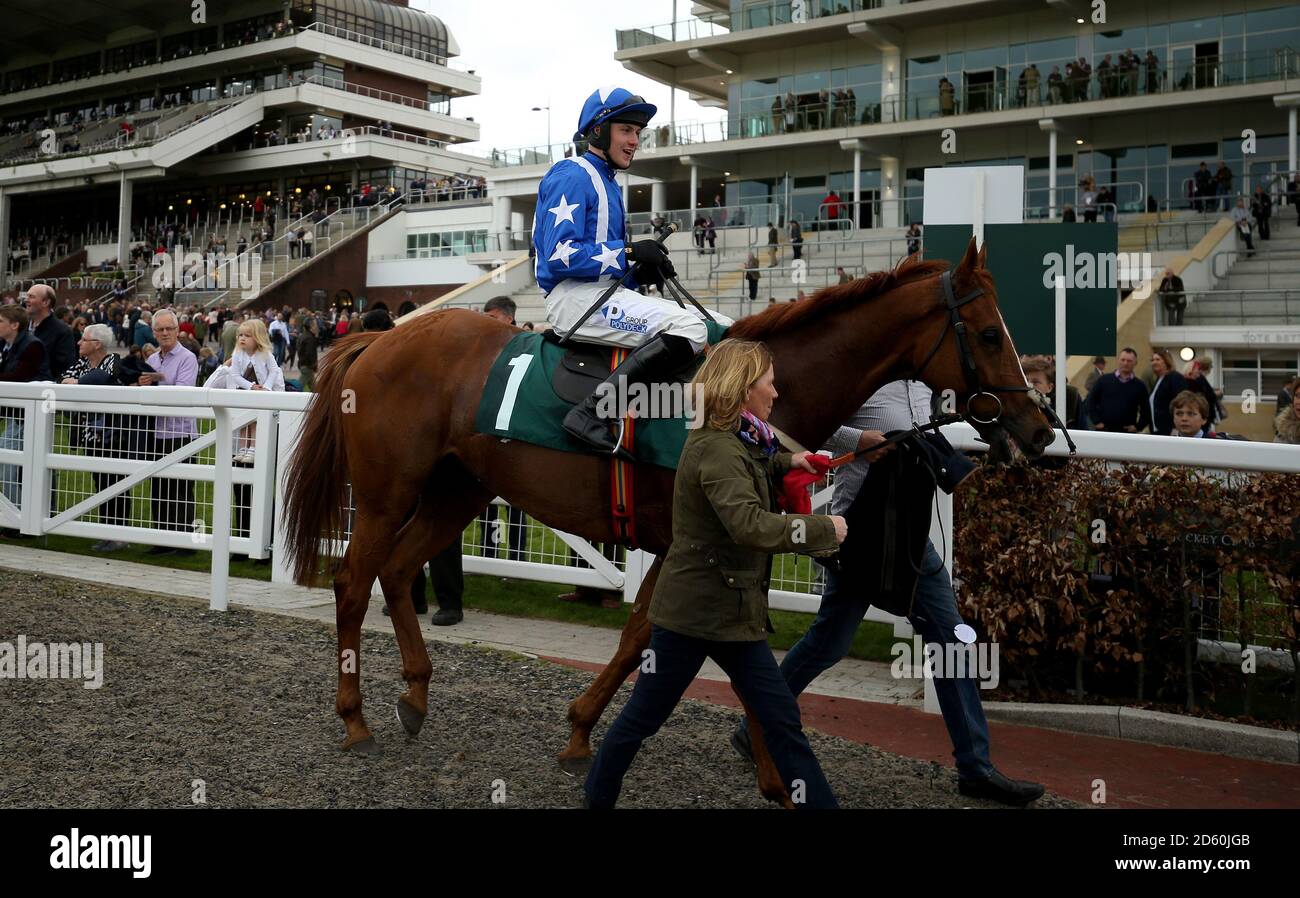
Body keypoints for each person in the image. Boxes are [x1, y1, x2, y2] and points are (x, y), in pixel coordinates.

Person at [731, 379, 1046, 805]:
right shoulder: (867, 372)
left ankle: (975, 767)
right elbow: (808, 426)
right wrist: (857, 438)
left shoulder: (923, 385)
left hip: (912, 538)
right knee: (829, 642)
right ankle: (757, 726)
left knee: (951, 639)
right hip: (859, 534)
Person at [583, 340, 846, 809]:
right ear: (744, 390)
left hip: (730, 615)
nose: (776, 392)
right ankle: (596, 800)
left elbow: (755, 465)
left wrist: (791, 461)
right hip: (693, 618)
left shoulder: (734, 439)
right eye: (769, 382)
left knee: (781, 719)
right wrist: (826, 527)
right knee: (642, 719)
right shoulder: (721, 449)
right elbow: (749, 525)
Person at [534, 87, 735, 457]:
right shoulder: (573, 174)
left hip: (601, 295)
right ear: (598, 131)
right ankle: (591, 412)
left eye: (637, 133)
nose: (634, 141)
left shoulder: (609, 182)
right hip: (572, 299)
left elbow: (608, 264)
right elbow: (559, 257)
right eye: (626, 130)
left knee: (720, 325)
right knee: (689, 329)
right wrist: (628, 252)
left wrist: (643, 269)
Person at [206, 318, 284, 543]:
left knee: (261, 491)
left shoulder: (268, 361)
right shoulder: (234, 363)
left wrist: (265, 388)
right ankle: (241, 539)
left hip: (261, 438)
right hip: (238, 439)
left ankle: (263, 540)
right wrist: (225, 366)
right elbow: (208, 388)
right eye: (239, 335)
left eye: (246, 335)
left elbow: (276, 386)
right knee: (240, 491)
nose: (242, 339)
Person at [139, 308, 199, 555]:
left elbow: (182, 391)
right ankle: (162, 538)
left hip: (181, 432)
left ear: (177, 330)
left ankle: (186, 543)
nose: (165, 333)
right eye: (160, 329)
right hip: (157, 431)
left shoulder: (188, 358)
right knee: (159, 487)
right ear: (153, 332)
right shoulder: (152, 360)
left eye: (169, 329)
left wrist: (155, 382)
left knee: (182, 488)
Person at [1086, 346, 1151, 433]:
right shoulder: (1104, 380)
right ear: (1118, 360)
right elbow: (1091, 401)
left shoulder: (1139, 386)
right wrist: (1096, 421)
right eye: (1123, 360)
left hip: (1127, 434)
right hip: (1104, 431)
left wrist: (1138, 426)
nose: (1125, 363)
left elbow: (1146, 410)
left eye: (1129, 361)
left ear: (1135, 362)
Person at [25, 284, 76, 379]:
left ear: (46, 302)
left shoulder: (62, 331)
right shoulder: (21, 327)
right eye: (27, 296)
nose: (26, 300)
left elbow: (65, 368)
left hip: (45, 389)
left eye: (31, 297)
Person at [1021, 358, 1081, 428]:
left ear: (1049, 387)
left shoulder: (1058, 409)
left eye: (1036, 382)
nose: (1029, 385)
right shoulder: (1014, 406)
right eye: (1026, 380)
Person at [1146, 349, 1187, 435]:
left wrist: (1175, 427)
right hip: (1157, 430)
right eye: (1152, 360)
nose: (1154, 362)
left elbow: (1181, 402)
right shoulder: (1158, 380)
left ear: (1166, 361)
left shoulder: (1175, 378)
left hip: (1170, 430)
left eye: (1158, 359)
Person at [1184, 357, 1223, 429]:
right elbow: (1207, 395)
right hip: (1201, 414)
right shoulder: (1195, 382)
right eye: (1197, 369)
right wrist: (1216, 393)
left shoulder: (1195, 381)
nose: (1198, 372)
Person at [296, 315, 319, 391]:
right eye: (315, 325)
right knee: (298, 387)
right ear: (311, 327)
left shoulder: (303, 336)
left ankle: (318, 399)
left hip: (304, 365)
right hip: (307, 366)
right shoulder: (309, 338)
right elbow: (310, 354)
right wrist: (314, 365)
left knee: (313, 387)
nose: (317, 327)